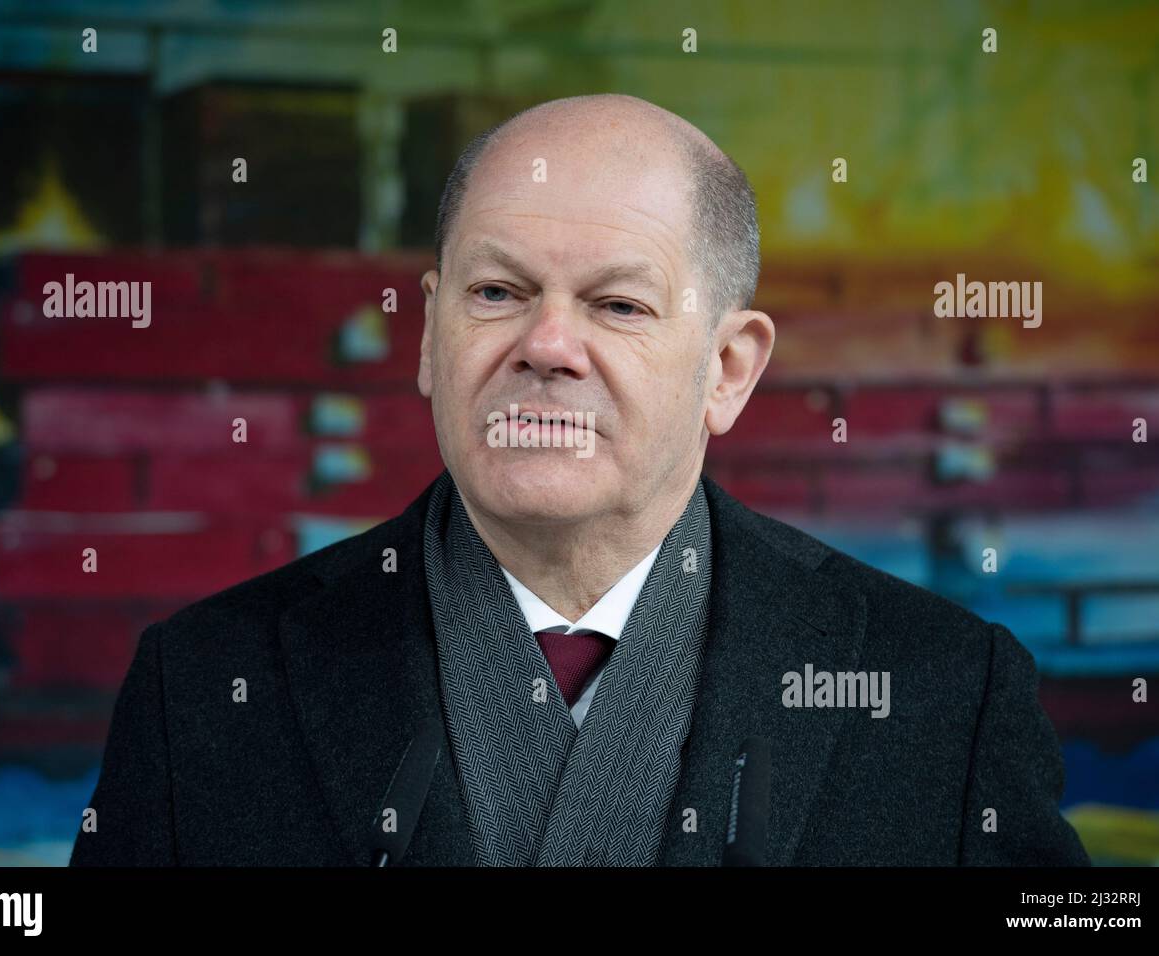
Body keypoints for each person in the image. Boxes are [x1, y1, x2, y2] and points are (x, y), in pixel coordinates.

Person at [70, 93, 1089, 867]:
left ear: (729, 368)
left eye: (618, 305)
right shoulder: (202, 684)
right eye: (498, 290)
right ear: (429, 332)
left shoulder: (944, 692)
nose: (547, 344)